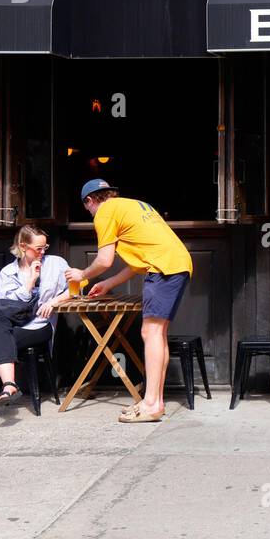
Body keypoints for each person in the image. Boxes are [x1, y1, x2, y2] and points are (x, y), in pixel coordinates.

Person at [66, 179, 192, 423]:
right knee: (158, 333)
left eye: (87, 207)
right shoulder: (135, 205)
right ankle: (156, 401)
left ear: (90, 201)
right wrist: (109, 284)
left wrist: (82, 274)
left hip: (163, 268)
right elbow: (139, 259)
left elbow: (104, 260)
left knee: (151, 332)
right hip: (176, 264)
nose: (90, 213)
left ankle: (151, 404)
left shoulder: (104, 212)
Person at [0, 225, 70, 426]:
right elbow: (9, 308)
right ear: (23, 247)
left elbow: (74, 289)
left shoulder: (56, 264)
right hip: (13, 325)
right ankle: (8, 384)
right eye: (38, 248)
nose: (43, 252)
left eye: (45, 247)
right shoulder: (8, 273)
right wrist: (30, 281)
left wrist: (53, 302)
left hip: (40, 326)